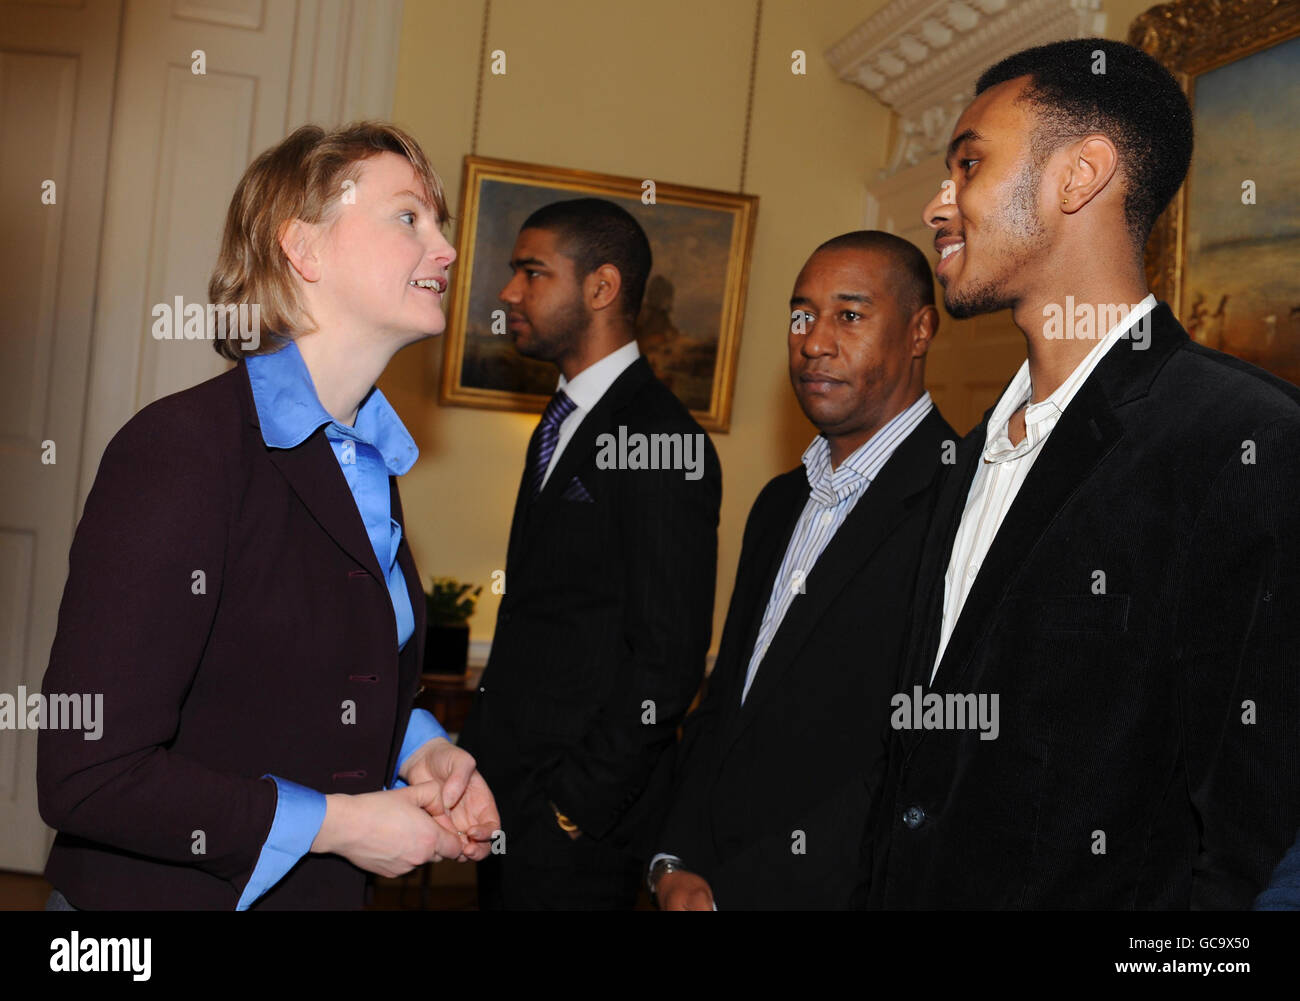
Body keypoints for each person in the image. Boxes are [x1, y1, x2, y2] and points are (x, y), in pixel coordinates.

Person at [870, 38, 1300, 909]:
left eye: (969, 164)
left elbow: (1246, 844)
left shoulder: (1244, 441)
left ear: (1079, 176)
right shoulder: (975, 447)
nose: (935, 204)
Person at [38, 122, 499, 910]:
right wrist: (339, 824)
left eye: (440, 224)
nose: (448, 249)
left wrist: (422, 750)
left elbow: (311, 683)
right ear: (304, 249)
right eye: (409, 218)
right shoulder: (181, 452)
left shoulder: (367, 459)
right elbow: (89, 774)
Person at [652, 232, 954, 910]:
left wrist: (738, 890)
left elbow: (918, 759)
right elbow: (726, 699)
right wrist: (674, 858)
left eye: (849, 315)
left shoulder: (960, 502)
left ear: (919, 330)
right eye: (800, 316)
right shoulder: (778, 501)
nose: (813, 341)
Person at [458, 198, 722, 910]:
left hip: (574, 825)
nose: (508, 293)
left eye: (531, 273)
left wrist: (572, 807)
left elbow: (667, 657)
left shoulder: (662, 437)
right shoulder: (563, 414)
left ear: (601, 288)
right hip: (509, 796)